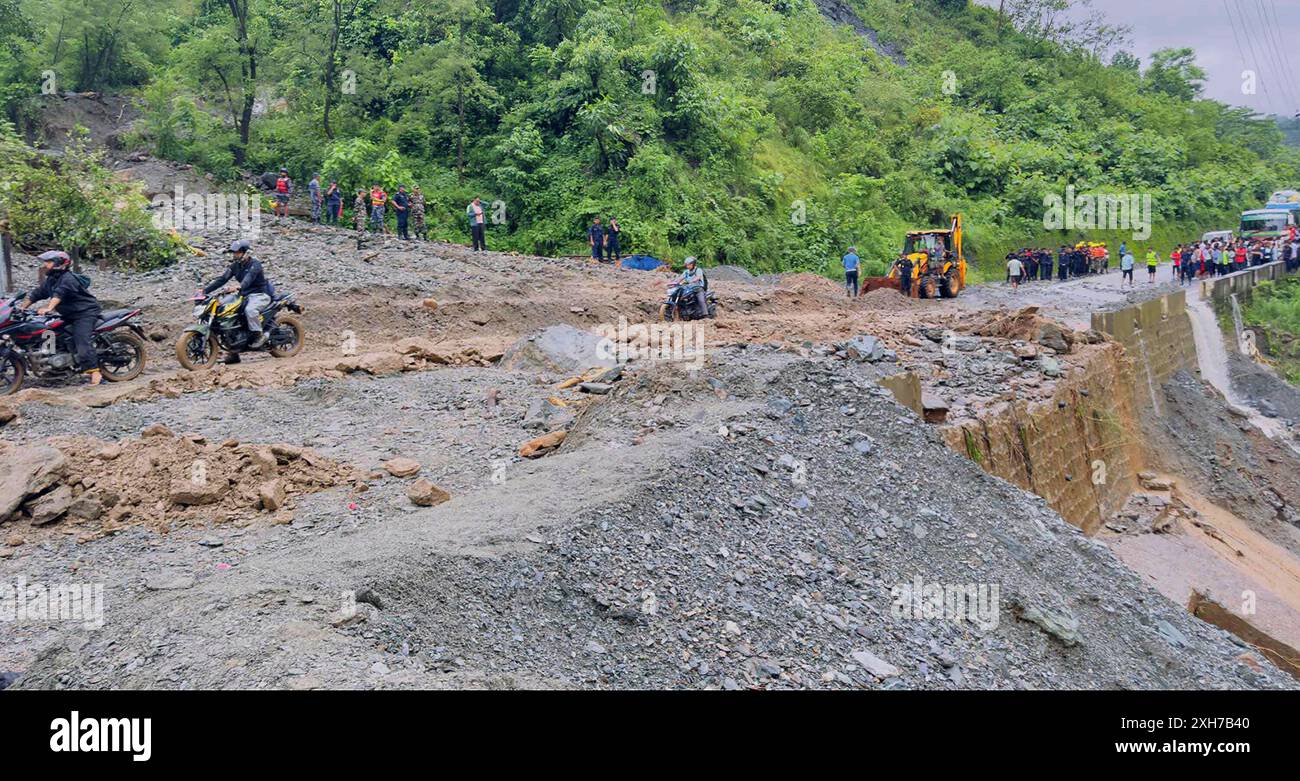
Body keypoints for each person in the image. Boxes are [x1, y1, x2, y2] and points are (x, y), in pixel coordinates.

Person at [21, 250, 102, 385]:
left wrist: (49, 308)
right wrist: (22, 307)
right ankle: (54, 367)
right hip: (69, 314)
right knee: (50, 333)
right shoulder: (52, 280)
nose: (45, 265)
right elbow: (37, 293)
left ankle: (94, 372)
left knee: (81, 339)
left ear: (59, 264)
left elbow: (59, 294)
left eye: (49, 262)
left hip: (85, 313)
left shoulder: (68, 279)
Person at [203, 239, 272, 353]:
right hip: (243, 295)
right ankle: (233, 351)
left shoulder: (255, 264)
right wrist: (204, 291)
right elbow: (222, 279)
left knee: (250, 310)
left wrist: (238, 287)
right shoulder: (235, 266)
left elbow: (248, 279)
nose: (235, 255)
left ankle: (258, 335)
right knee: (221, 307)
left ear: (245, 252)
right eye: (234, 252)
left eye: (238, 252)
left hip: (259, 295)